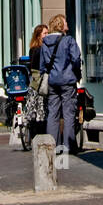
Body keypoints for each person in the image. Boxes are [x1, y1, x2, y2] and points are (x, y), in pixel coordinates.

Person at [40, 14, 82, 155]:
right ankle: (68, 146)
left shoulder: (45, 42)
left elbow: (43, 65)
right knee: (69, 113)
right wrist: (76, 73)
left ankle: (53, 145)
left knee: (53, 113)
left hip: (52, 81)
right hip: (67, 80)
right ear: (60, 25)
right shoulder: (68, 40)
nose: (68, 26)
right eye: (65, 23)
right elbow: (76, 58)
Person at [23, 23, 49, 132]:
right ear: (39, 35)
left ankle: (34, 132)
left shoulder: (32, 48)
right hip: (40, 81)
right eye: (45, 33)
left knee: (34, 108)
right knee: (41, 107)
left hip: (34, 82)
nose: (47, 35)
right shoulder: (41, 49)